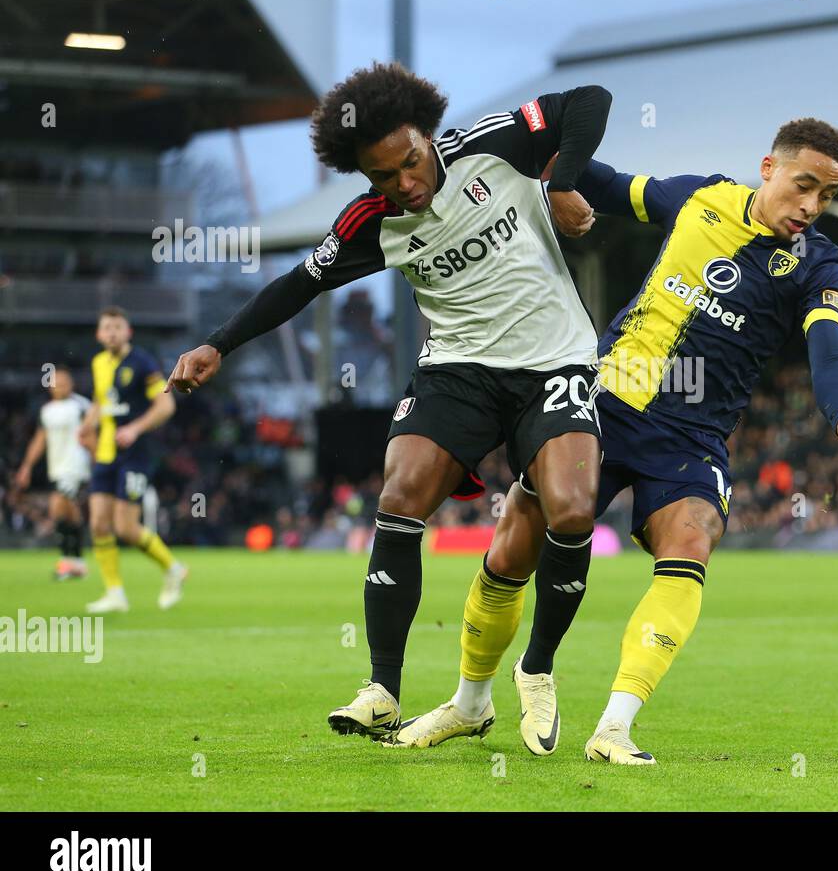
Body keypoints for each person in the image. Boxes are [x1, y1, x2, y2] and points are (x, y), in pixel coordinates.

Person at [402, 118, 838, 763]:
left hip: (693, 435)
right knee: (514, 548)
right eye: (804, 186)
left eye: (827, 196)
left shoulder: (816, 263)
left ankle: (613, 727)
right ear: (769, 168)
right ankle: (471, 702)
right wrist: (546, 153)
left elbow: (829, 347)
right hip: (606, 398)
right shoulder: (700, 198)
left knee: (691, 543)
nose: (811, 206)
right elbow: (609, 185)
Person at [167, 63, 611, 745]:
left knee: (574, 509)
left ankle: (538, 669)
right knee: (400, 496)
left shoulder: (491, 147)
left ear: (427, 136)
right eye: (383, 176)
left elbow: (588, 99)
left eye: (410, 162)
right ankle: (382, 689)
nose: (405, 183)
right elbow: (296, 285)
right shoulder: (370, 223)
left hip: (555, 358)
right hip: (458, 370)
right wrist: (217, 346)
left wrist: (565, 180)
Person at [82, 306, 188, 613]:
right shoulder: (98, 363)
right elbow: (101, 401)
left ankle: (173, 568)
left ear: (128, 332)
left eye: (118, 327)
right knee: (99, 524)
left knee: (126, 528)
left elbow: (166, 405)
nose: (112, 332)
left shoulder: (142, 363)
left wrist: (135, 429)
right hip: (105, 453)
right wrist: (87, 423)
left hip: (135, 455)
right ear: (99, 334)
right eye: (107, 327)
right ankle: (115, 593)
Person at [13, 366, 92, 580]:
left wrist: (97, 460)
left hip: (76, 466)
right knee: (67, 512)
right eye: (57, 382)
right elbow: (40, 440)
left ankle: (68, 562)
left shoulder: (82, 406)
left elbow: (95, 434)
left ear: (72, 384)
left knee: (58, 506)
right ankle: (76, 562)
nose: (61, 386)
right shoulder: (47, 411)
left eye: (65, 382)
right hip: (56, 468)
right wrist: (27, 466)